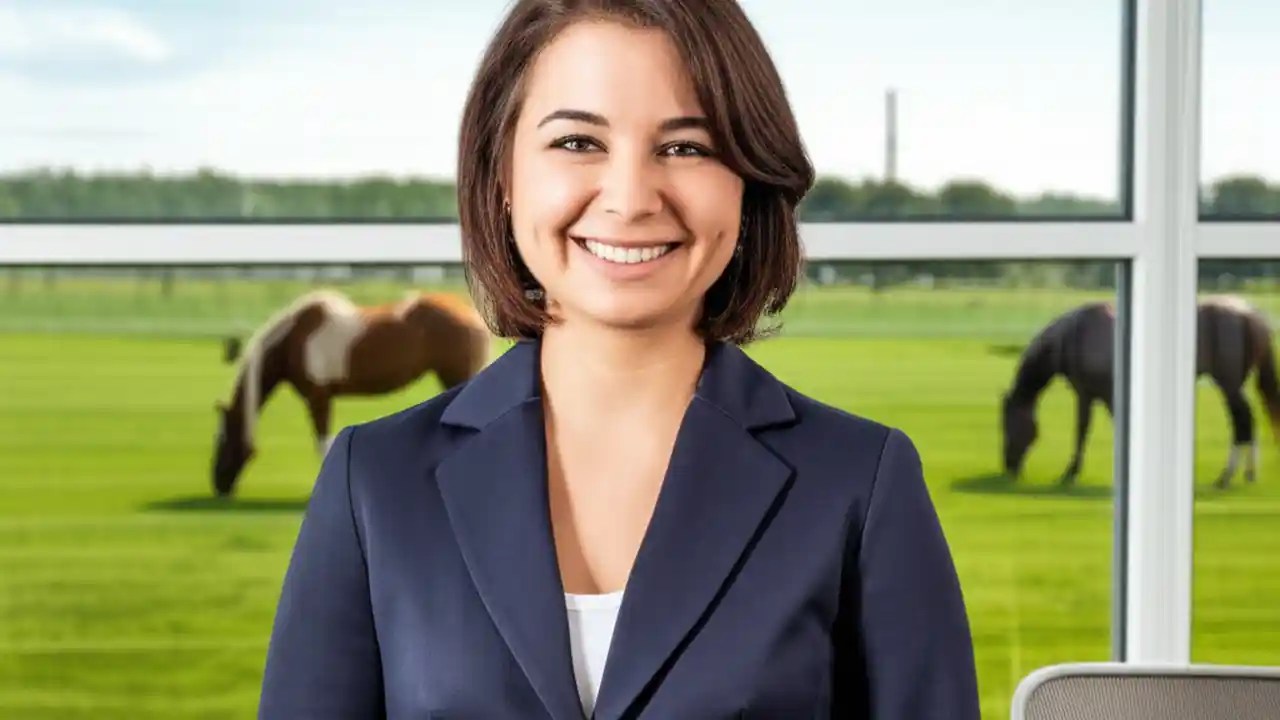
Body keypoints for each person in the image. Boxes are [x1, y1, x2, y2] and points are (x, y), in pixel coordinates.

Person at [258, 0, 980, 717]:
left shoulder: (860, 482)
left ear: (747, 182)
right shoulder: (373, 484)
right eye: (577, 143)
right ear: (503, 173)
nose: (631, 199)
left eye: (686, 147)